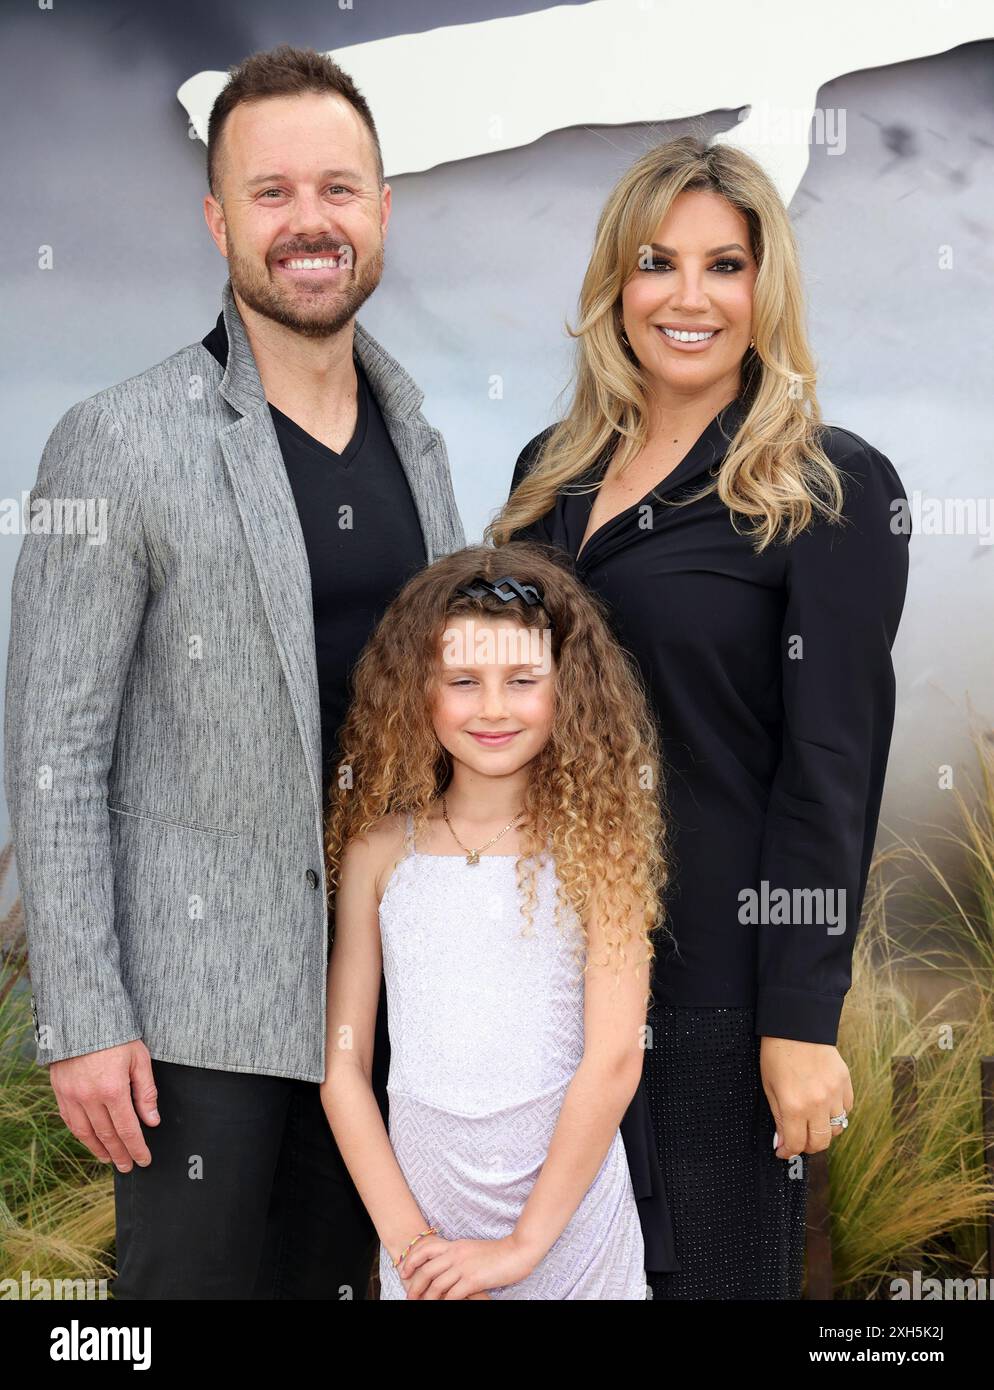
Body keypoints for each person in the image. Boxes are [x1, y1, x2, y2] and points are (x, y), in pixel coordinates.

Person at [3, 44, 463, 1299]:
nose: (308, 222)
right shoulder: (113, 439)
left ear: (381, 208)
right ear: (217, 219)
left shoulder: (418, 437)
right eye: (270, 193)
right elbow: (52, 753)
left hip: (377, 1003)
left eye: (337, 188)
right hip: (197, 1018)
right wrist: (84, 1017)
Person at [490, 135, 911, 1299]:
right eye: (654, 262)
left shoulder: (827, 487)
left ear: (762, 289)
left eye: (722, 265)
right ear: (613, 287)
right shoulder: (547, 475)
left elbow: (830, 768)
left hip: (715, 997)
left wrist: (799, 1018)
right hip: (536, 986)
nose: (686, 297)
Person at [321, 543, 671, 1299]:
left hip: (571, 1235)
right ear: (419, 691)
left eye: (521, 681)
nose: (492, 708)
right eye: (463, 682)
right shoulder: (378, 852)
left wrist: (520, 1248)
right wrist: (415, 1250)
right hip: (425, 1239)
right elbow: (344, 1069)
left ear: (567, 689)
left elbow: (613, 1060)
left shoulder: (600, 847)